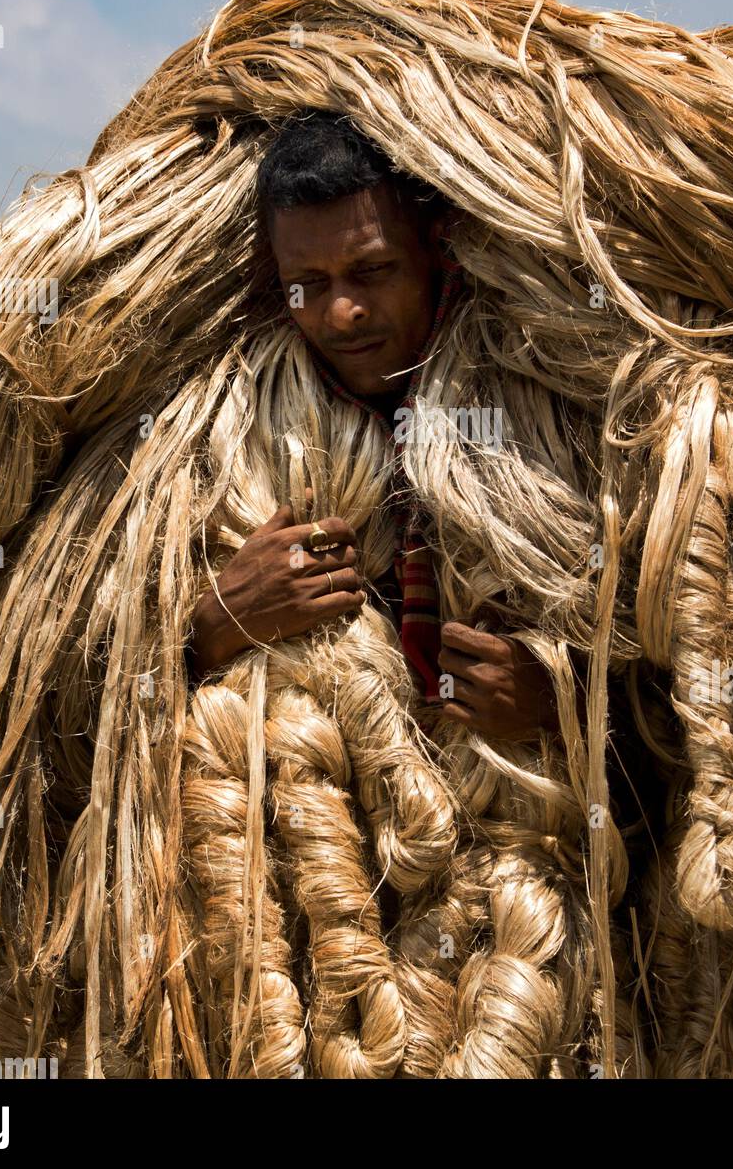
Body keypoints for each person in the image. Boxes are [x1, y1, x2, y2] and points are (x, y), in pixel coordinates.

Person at [189, 110, 562, 740]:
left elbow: (681, 680)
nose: (342, 313)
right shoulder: (230, 438)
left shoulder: (549, 416)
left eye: (373, 271)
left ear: (438, 250)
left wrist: (557, 709)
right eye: (308, 284)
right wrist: (216, 628)